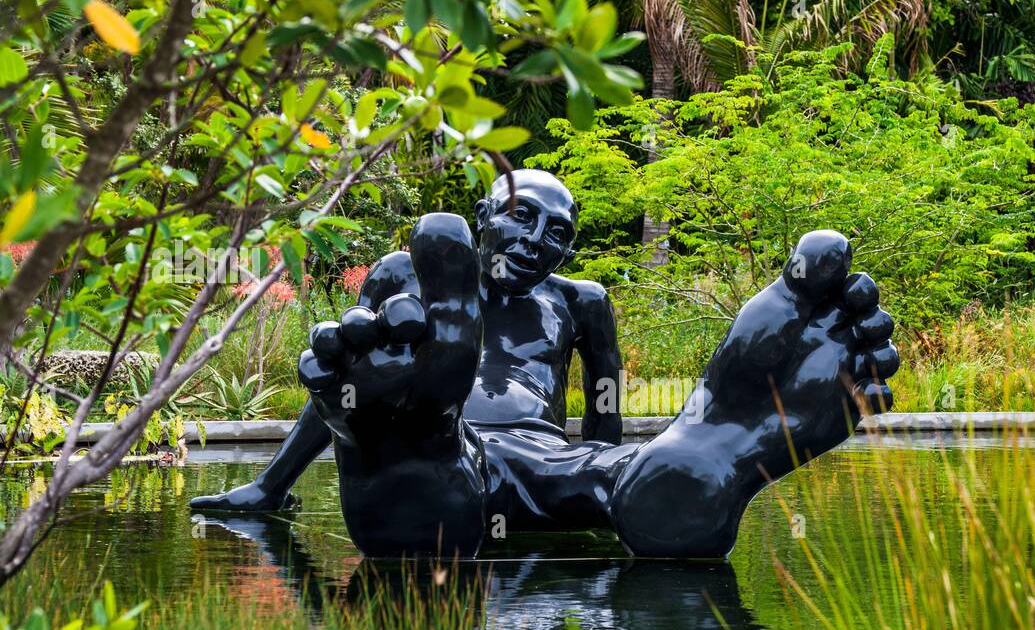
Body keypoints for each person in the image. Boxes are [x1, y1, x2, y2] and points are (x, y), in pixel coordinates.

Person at [191, 169, 898, 558]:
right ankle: (407, 452)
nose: (536, 241)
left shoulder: (579, 300)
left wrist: (626, 467)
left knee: (610, 472)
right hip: (452, 443)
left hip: (541, 457)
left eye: (556, 234)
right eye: (522, 217)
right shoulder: (407, 280)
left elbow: (605, 398)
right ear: (483, 212)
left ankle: (702, 459)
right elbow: (342, 391)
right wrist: (271, 482)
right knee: (391, 412)